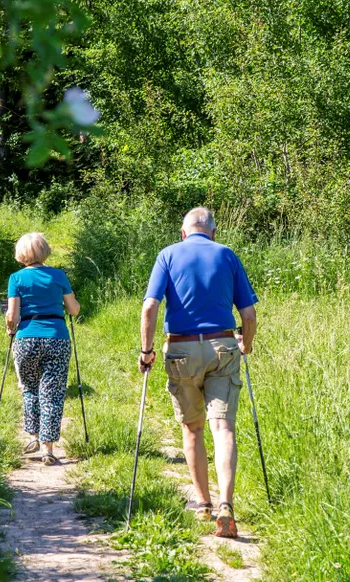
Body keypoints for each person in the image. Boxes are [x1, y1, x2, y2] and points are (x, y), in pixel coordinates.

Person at [139, 207, 258, 538]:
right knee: (223, 428)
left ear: (183, 233)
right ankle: (227, 506)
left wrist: (147, 351)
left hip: (181, 349)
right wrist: (245, 346)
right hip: (222, 347)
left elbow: (150, 307)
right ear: (214, 233)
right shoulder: (227, 255)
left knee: (193, 429)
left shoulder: (168, 255)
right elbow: (248, 316)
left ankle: (204, 504)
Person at [5, 232, 81, 465]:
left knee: (29, 388)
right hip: (56, 337)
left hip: (27, 338)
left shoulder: (16, 279)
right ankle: (48, 449)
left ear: (21, 254)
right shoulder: (58, 275)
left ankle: (33, 437)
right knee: (53, 392)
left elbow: (12, 315)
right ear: (44, 250)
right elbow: (73, 310)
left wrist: (10, 328)